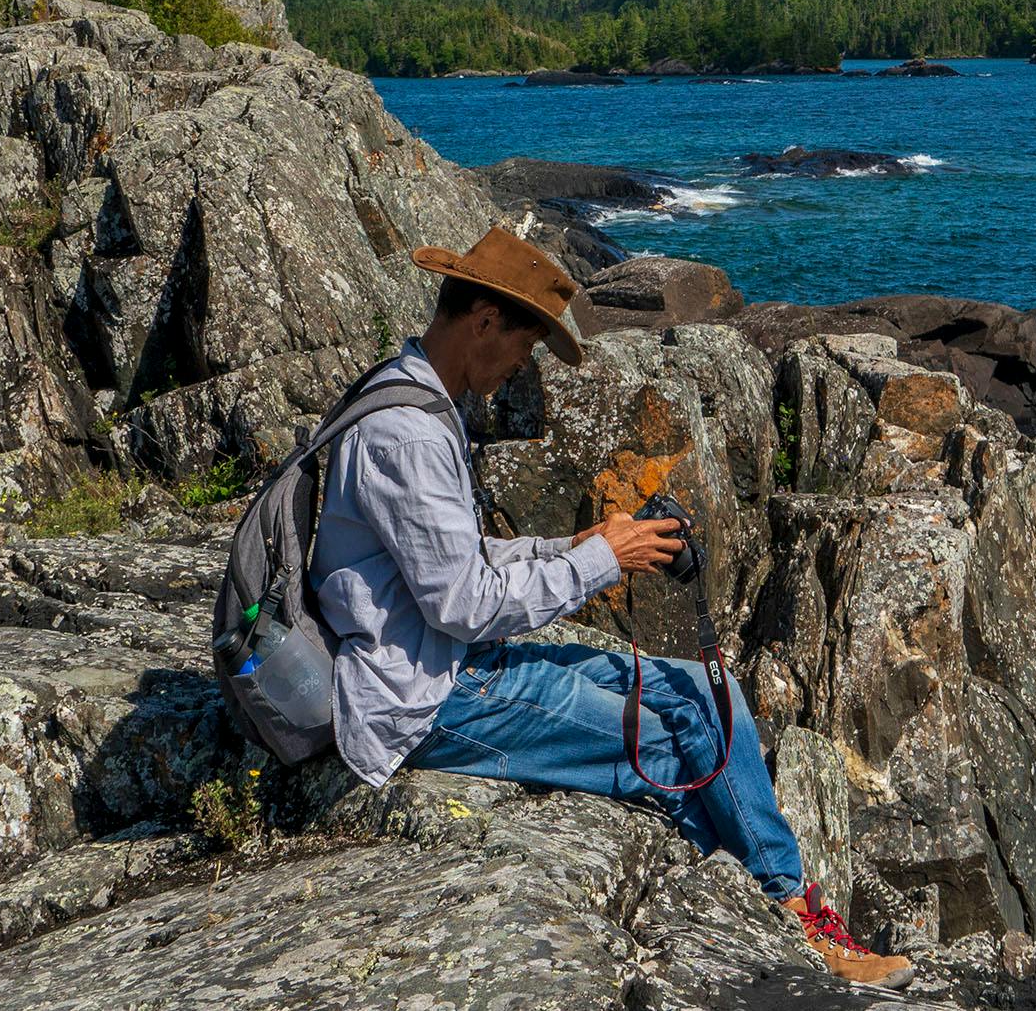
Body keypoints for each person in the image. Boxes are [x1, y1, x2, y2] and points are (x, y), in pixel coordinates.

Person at [311, 222, 911, 987]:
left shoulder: (419, 402)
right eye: (526, 346)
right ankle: (792, 925)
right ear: (485, 320)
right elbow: (463, 604)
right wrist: (605, 560)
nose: (522, 366)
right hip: (429, 696)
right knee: (665, 750)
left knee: (709, 691)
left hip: (450, 657)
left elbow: (453, 563)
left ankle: (788, 905)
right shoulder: (407, 434)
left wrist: (574, 544)